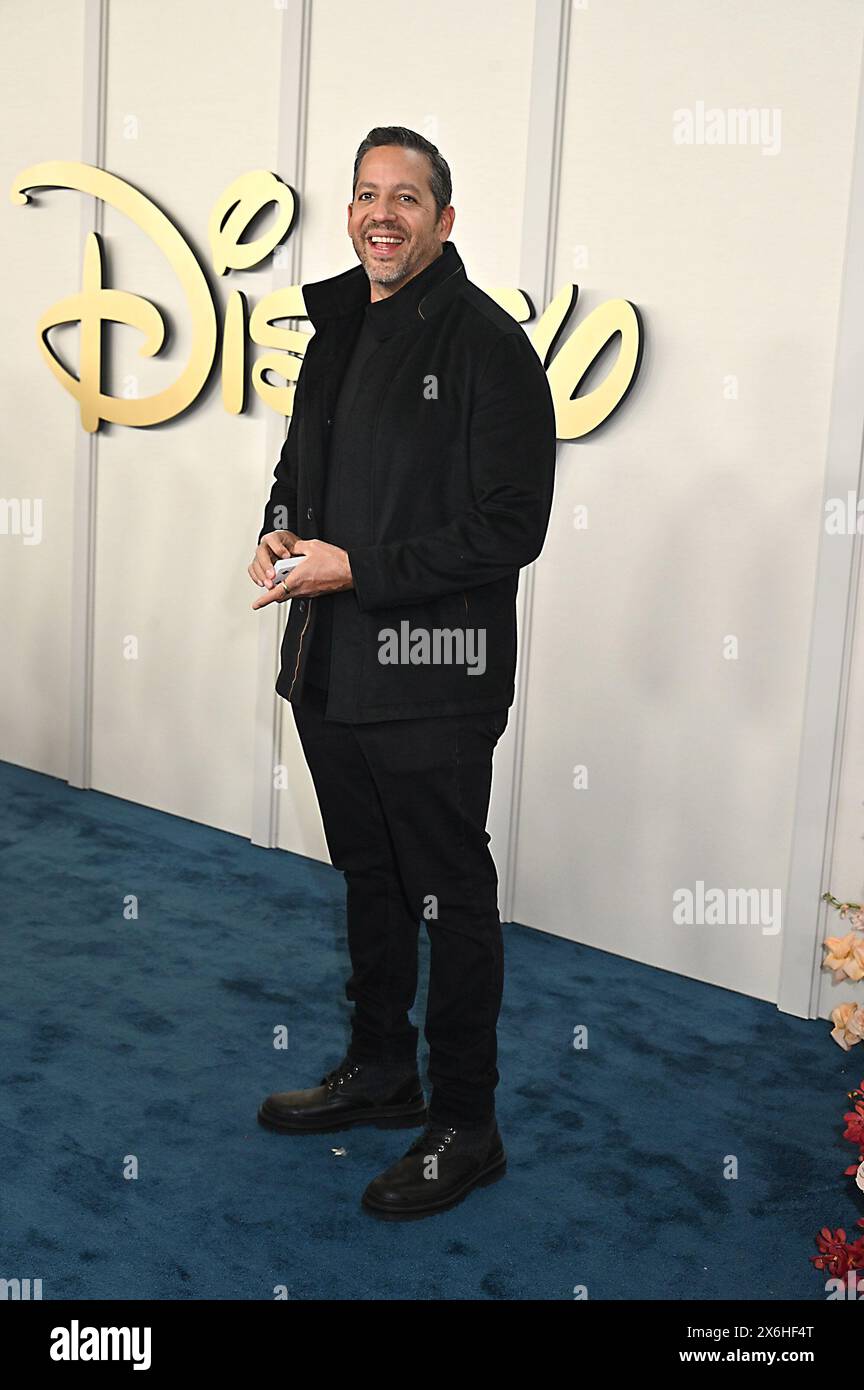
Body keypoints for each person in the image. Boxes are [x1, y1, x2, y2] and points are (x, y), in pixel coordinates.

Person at [248, 125, 557, 1219]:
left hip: (435, 675)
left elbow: (512, 528)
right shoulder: (335, 321)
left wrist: (359, 567)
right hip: (330, 665)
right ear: (349, 211)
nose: (383, 214)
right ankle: (383, 1070)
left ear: (446, 219)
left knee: (448, 897)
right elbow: (301, 464)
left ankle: (467, 1124)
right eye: (367, 195)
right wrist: (282, 532)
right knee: (368, 879)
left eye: (408, 199)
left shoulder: (488, 347)